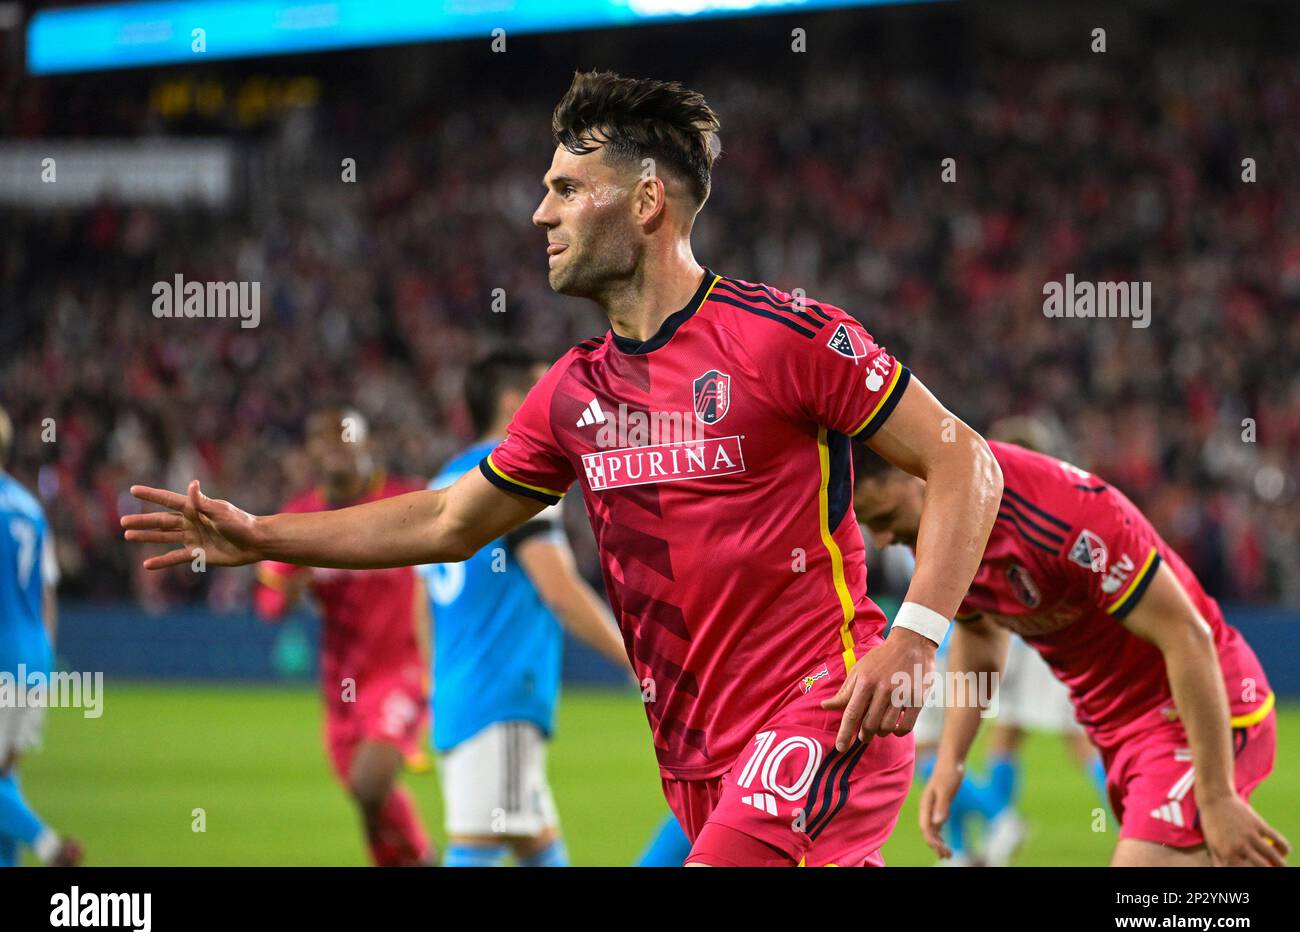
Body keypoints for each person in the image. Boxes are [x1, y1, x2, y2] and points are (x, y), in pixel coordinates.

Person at [122, 70, 1003, 866]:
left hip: (824, 709)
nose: (541, 214)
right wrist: (263, 533)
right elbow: (444, 522)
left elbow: (967, 462)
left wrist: (915, 637)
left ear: (648, 201)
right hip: (695, 753)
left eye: (568, 189)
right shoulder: (573, 393)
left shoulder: (786, 337)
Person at [851, 438, 1287, 866]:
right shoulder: (942, 530)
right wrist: (953, 760)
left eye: (886, 517)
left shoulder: (1062, 517)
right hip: (1116, 733)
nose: (885, 539)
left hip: (1191, 715)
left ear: (919, 474)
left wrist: (1215, 795)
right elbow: (980, 641)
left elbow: (1188, 636)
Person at [423, 349, 630, 867]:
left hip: (459, 693)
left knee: (537, 842)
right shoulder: (514, 477)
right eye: (548, 390)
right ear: (517, 401)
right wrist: (637, 658)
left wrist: (434, 682)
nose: (562, 402)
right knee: (477, 848)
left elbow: (417, 598)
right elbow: (558, 589)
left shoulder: (444, 480)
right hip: (502, 694)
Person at [253, 407, 434, 866]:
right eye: (323, 442)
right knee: (364, 796)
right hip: (341, 685)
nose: (335, 451)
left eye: (345, 440)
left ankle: (424, 857)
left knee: (371, 782)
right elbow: (270, 602)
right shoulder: (300, 515)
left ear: (367, 446)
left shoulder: (405, 500)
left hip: (402, 670)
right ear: (311, 453)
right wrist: (293, 590)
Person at [0, 406, 80, 866]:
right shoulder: (29, 507)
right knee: (4, 778)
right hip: (32, 652)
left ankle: (48, 845)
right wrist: (44, 657)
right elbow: (47, 593)